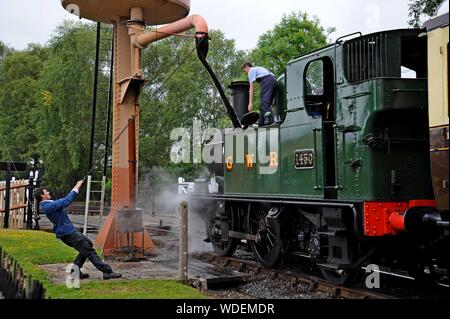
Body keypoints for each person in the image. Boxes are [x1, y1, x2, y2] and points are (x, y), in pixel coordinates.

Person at [33, 181, 122, 280]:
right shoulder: (48, 206)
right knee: (88, 250)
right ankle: (107, 272)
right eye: (46, 192)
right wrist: (77, 186)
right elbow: (66, 200)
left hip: (68, 232)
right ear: (42, 195)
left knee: (87, 244)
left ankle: (75, 272)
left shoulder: (49, 204)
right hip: (68, 233)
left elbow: (63, 202)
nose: (48, 192)